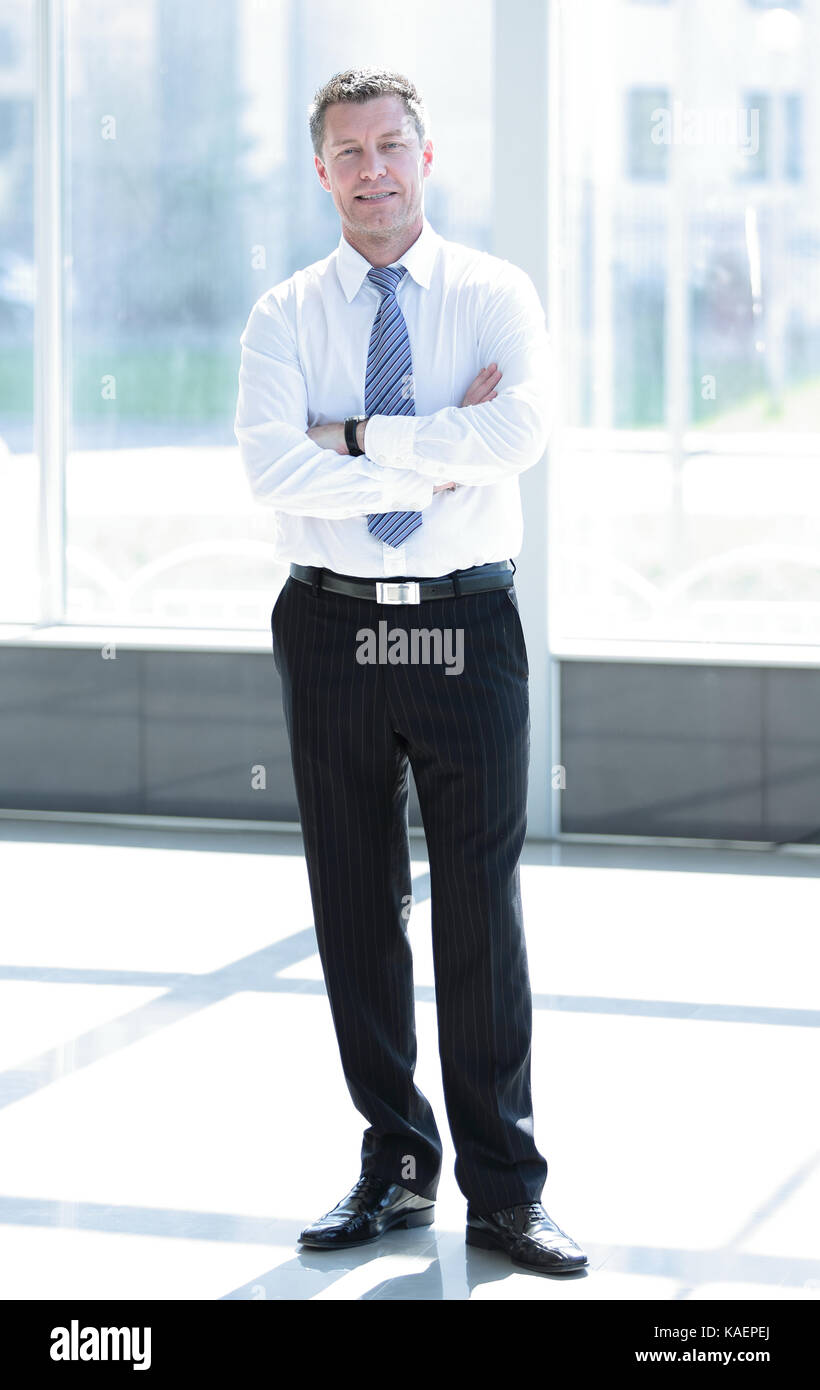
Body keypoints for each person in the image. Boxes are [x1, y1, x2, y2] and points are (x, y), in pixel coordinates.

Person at [234, 66, 587, 1275]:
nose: (372, 168)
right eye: (349, 152)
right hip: (332, 625)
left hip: (461, 627)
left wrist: (358, 438)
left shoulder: (495, 294)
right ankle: (394, 1159)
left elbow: (520, 434)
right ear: (320, 170)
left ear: (425, 159)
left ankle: (504, 1186)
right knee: (353, 898)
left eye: (391, 145)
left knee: (479, 912)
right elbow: (274, 474)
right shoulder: (283, 315)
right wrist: (436, 460)